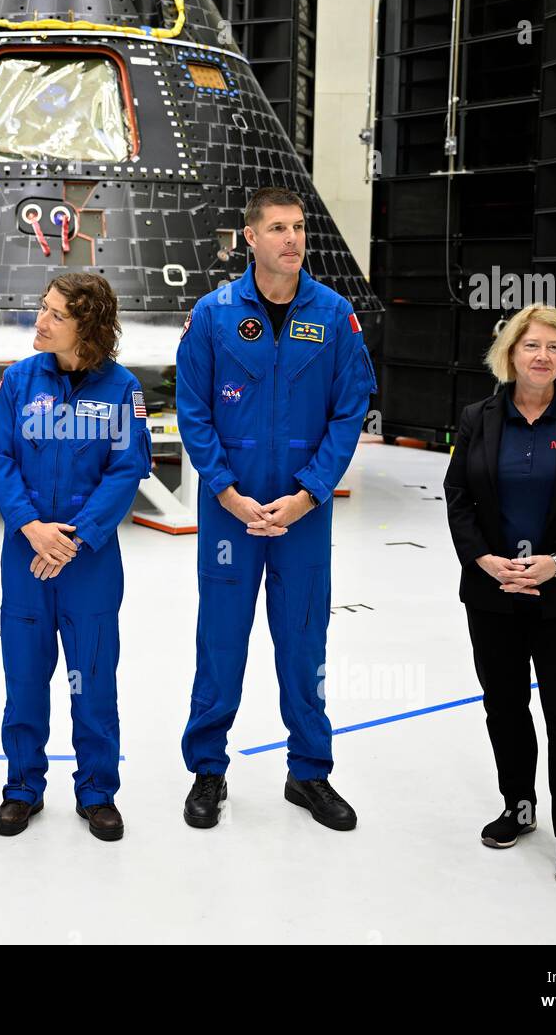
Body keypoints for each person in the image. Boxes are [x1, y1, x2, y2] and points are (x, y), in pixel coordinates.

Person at [174, 186, 377, 831]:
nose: (293, 239)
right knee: (221, 641)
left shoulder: (335, 315)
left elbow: (350, 412)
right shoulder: (212, 315)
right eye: (279, 228)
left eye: (300, 228)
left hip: (303, 512)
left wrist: (308, 493)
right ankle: (208, 771)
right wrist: (228, 492)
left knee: (304, 641)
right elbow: (193, 411)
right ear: (250, 237)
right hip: (230, 510)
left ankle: (309, 774)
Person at [443, 303, 556, 889]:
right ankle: (518, 808)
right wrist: (484, 559)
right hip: (494, 591)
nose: (542, 356)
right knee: (505, 706)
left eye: (554, 347)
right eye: (531, 346)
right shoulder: (477, 417)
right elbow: (458, 496)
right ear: (510, 353)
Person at [0, 273, 152, 841]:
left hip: (90, 564)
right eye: (43, 307)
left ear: (88, 327)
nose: (41, 320)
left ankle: (98, 791)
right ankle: (23, 787)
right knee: (24, 678)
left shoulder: (123, 389)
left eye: (56, 314)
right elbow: (1, 459)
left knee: (94, 680)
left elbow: (127, 468)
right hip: (26, 556)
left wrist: (75, 538)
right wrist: (31, 528)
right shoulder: (17, 382)